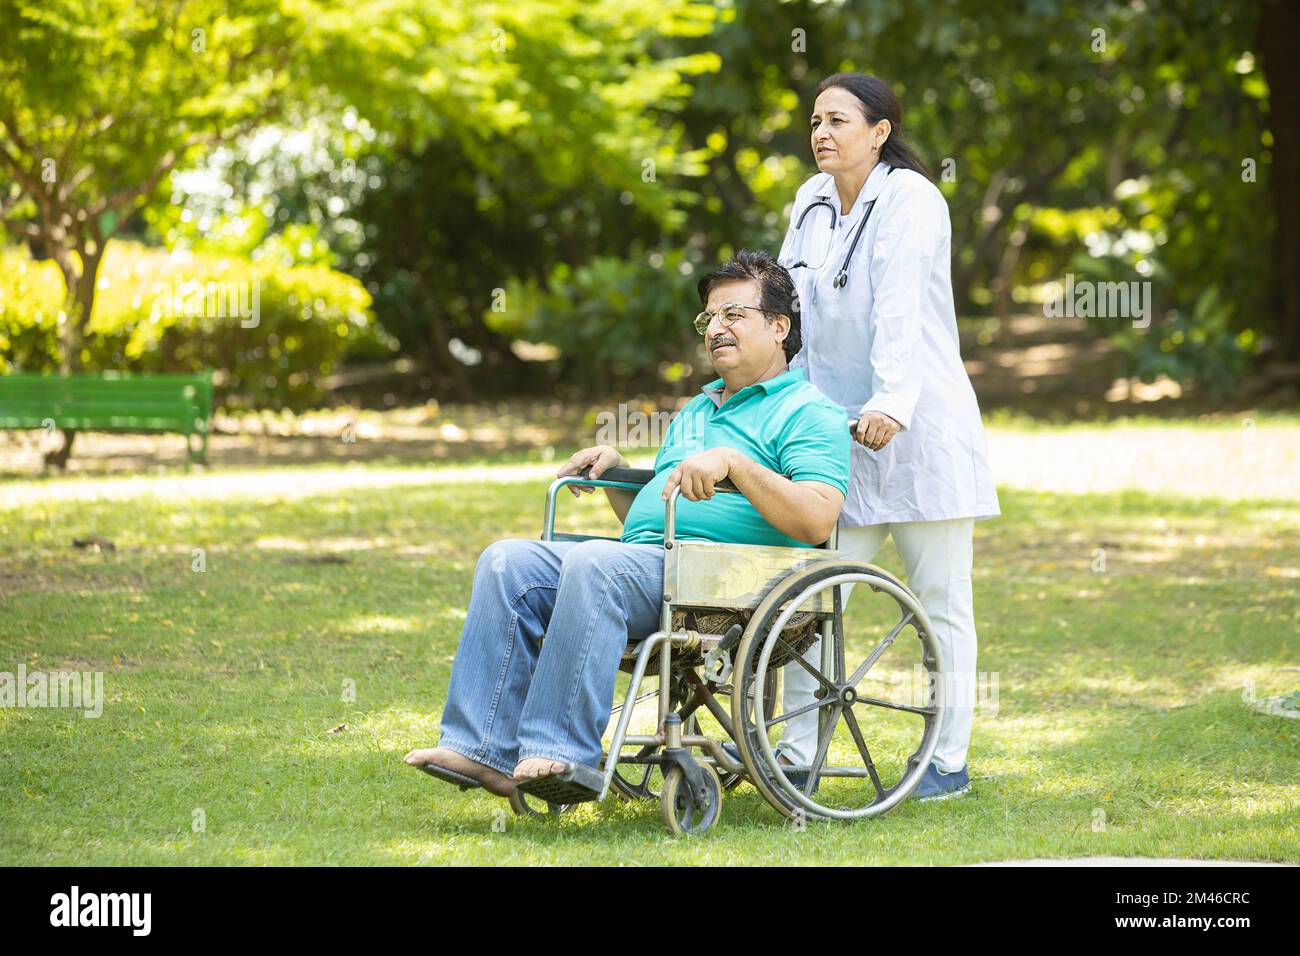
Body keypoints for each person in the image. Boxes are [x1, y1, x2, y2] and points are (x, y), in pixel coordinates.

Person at [403, 250, 851, 801]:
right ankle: (481, 750)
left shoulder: (810, 411)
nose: (717, 328)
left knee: (598, 565)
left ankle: (564, 753)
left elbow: (816, 518)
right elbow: (653, 513)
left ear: (779, 326)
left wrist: (737, 463)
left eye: (734, 314)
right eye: (709, 318)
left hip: (735, 580)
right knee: (507, 561)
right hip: (654, 563)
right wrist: (615, 475)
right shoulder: (696, 410)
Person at [775, 72, 1000, 800]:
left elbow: (902, 308)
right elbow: (789, 311)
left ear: (879, 131)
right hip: (835, 436)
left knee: (940, 601)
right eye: (815, 120)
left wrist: (893, 404)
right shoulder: (808, 204)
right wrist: (771, 398)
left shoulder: (913, 200)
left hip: (919, 428)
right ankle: (795, 752)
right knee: (810, 598)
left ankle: (946, 763)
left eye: (838, 119)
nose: (821, 132)